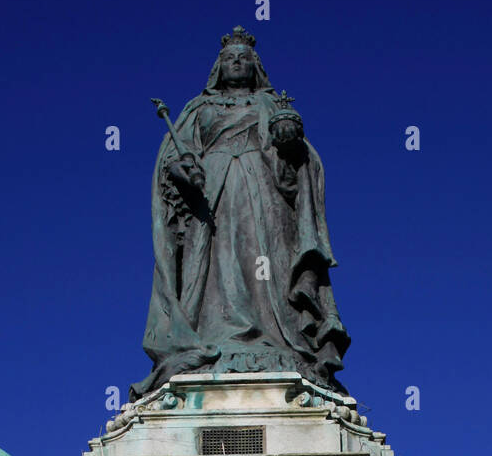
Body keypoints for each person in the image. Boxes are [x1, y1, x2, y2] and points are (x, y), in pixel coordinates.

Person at [132, 26, 350, 398]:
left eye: (243, 58)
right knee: (211, 267)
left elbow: (303, 163)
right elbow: (171, 158)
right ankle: (210, 337)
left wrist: (292, 145)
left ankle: (273, 338)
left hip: (262, 192)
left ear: (255, 66)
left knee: (264, 264)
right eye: (229, 58)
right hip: (209, 194)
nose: (236, 63)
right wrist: (180, 169)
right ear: (219, 67)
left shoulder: (269, 105)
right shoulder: (197, 110)